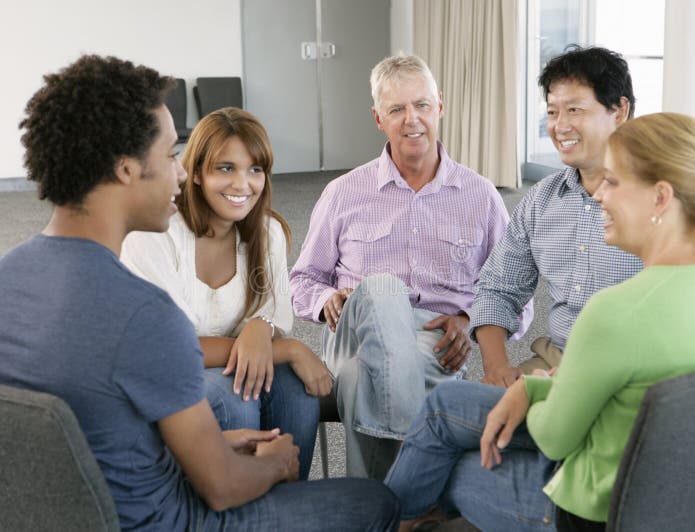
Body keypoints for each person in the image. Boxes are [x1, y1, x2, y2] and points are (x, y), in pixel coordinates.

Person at [0, 54, 398, 531]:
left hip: (75, 508)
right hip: (171, 521)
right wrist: (279, 462)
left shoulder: (10, 275)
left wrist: (229, 444)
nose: (180, 173)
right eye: (171, 155)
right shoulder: (145, 312)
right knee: (377, 502)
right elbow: (223, 487)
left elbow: (99, 423)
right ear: (127, 169)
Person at [383, 112, 695, 531]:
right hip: (685, 499)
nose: (600, 196)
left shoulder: (618, 311)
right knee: (447, 408)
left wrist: (534, 393)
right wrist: (534, 387)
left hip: (594, 512)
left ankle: (392, 520)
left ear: (661, 197)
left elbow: (555, 439)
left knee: (450, 464)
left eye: (614, 182)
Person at [289, 53, 514, 480]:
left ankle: (380, 506)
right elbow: (301, 280)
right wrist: (325, 299)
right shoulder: (343, 193)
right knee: (382, 291)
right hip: (353, 332)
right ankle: (419, 467)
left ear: (440, 106)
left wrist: (468, 321)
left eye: (422, 105)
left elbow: (514, 293)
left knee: (357, 379)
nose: (412, 119)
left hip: (435, 348)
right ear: (378, 117)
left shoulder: (481, 196)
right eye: (397, 109)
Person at [121, 107, 330, 480]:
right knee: (234, 395)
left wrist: (261, 328)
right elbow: (170, 348)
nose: (242, 185)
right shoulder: (155, 233)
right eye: (226, 168)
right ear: (197, 172)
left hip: (228, 366)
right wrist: (288, 348)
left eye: (255, 169)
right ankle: (235, 509)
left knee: (294, 388)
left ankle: (290, 499)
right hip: (168, 374)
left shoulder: (267, 234)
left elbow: (274, 316)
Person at [471, 46, 643, 387]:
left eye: (574, 110)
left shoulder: (657, 198)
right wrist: (496, 369)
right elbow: (497, 288)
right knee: (454, 414)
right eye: (552, 112)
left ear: (619, 110)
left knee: (460, 422)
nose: (560, 126)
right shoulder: (542, 199)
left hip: (633, 372)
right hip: (556, 358)